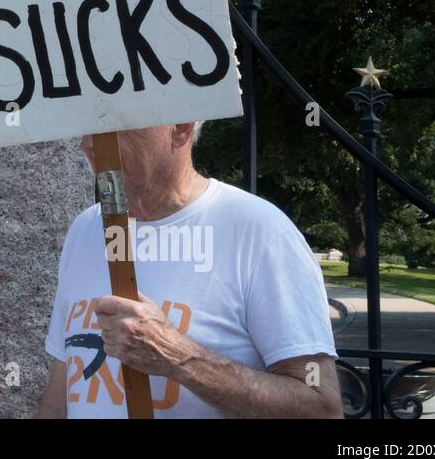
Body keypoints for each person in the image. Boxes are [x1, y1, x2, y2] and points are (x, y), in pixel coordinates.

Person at [37, 122, 341, 419]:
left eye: (113, 123)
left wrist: (177, 355)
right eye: (86, 122)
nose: (87, 142)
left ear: (181, 126)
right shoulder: (85, 229)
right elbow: (62, 393)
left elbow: (322, 408)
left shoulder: (259, 231)